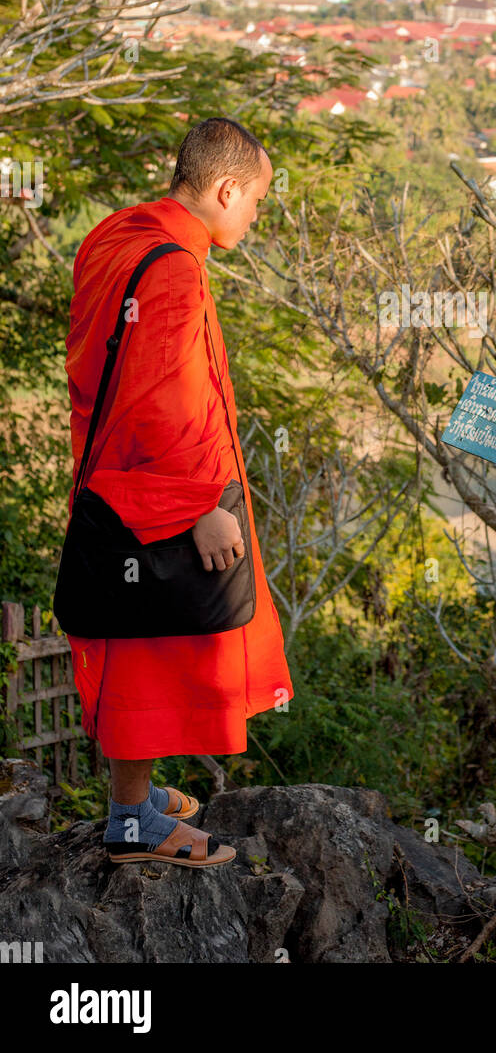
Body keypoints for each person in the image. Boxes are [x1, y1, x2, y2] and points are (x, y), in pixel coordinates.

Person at [63, 116, 293, 867]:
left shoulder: (117, 236)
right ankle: (131, 821)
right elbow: (164, 401)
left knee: (139, 640)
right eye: (255, 200)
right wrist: (200, 508)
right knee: (151, 652)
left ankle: (139, 794)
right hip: (157, 493)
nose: (255, 216)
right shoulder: (174, 268)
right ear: (225, 189)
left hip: (111, 478)